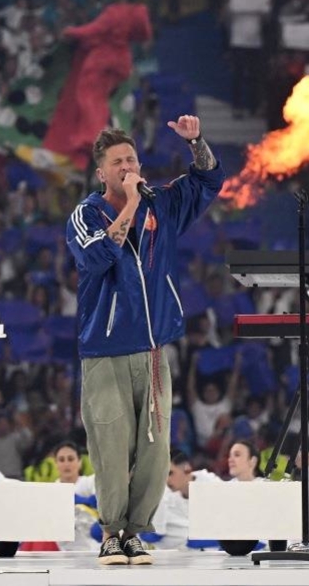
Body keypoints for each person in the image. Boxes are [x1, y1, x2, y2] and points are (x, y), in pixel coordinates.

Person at [65, 116, 225, 565]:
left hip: (154, 349)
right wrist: (131, 205)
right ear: (102, 172)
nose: (128, 166)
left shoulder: (161, 206)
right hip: (105, 349)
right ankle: (111, 532)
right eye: (118, 162)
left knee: (156, 451)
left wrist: (196, 142)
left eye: (132, 158)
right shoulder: (86, 214)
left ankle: (136, 533)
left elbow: (208, 179)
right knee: (112, 448)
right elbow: (98, 257)